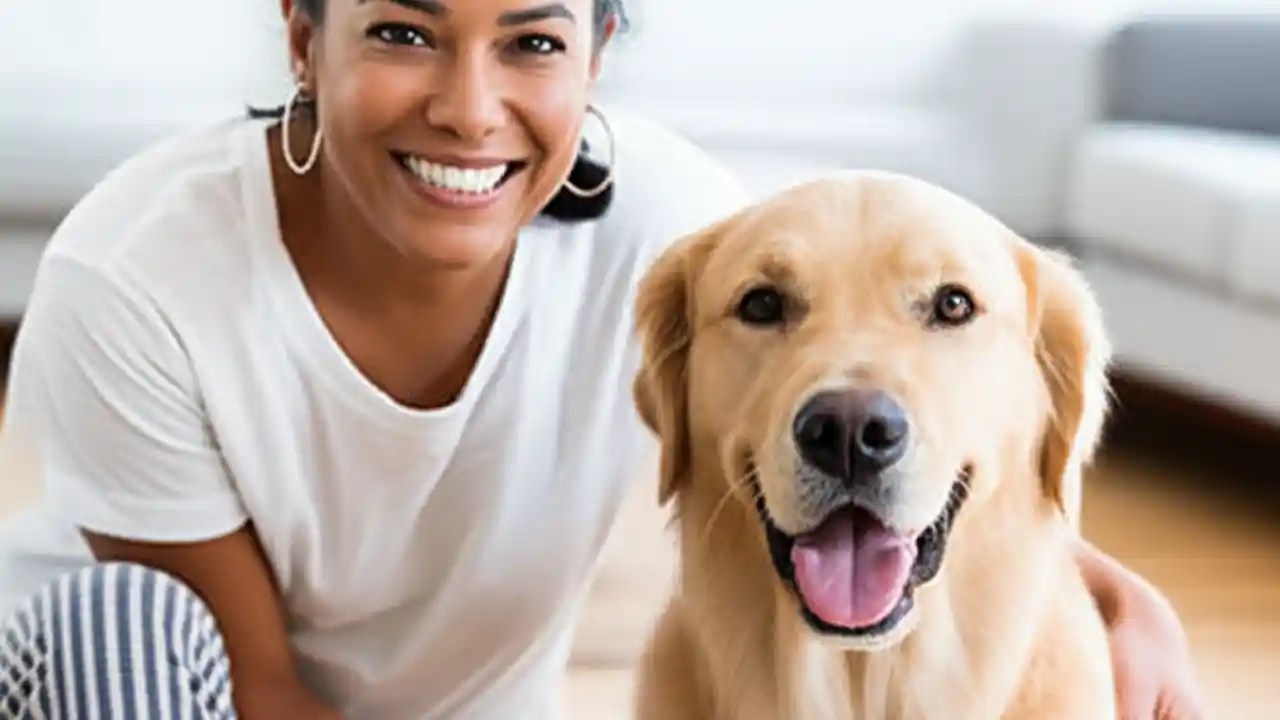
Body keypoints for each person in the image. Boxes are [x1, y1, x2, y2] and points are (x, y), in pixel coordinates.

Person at [0, 0, 1206, 718]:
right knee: (129, 628)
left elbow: (839, 403)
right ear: (303, 40)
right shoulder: (135, 270)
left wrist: (1101, 588)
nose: (469, 110)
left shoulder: (679, 231)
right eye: (403, 32)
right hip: (117, 679)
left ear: (595, 54)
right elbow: (252, 694)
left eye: (529, 39)